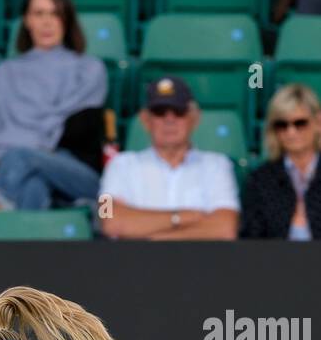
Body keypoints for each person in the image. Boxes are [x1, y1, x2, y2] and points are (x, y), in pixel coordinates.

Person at [0, 0, 106, 213]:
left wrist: (24, 149)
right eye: (39, 13)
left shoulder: (90, 69)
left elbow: (60, 125)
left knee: (21, 156)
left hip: (77, 175)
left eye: (55, 14)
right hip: (17, 173)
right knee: (34, 186)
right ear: (27, 20)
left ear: (67, 20)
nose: (47, 22)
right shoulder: (5, 72)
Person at [98, 75, 239, 240]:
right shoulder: (119, 164)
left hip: (199, 262)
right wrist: (182, 217)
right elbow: (108, 219)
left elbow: (225, 228)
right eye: (159, 112)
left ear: (194, 118)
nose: (169, 119)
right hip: (136, 263)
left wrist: (157, 239)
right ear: (146, 120)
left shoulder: (217, 165)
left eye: (178, 112)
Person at [240, 83, 321, 240]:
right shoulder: (260, 179)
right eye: (282, 125)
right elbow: (252, 242)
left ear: (318, 122)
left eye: (300, 123)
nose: (291, 132)